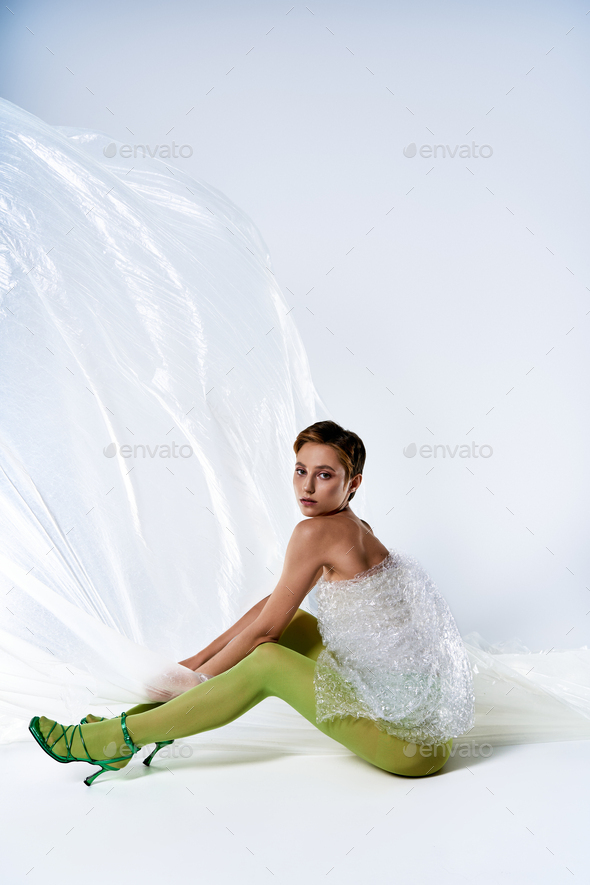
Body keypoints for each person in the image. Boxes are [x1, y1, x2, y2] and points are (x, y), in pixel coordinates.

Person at [29, 420, 475, 784]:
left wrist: (201, 677)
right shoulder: (356, 527)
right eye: (301, 470)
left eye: (325, 475)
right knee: (298, 620)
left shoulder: (314, 533)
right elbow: (275, 604)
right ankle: (153, 718)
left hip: (407, 744)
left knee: (267, 660)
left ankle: (114, 739)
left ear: (352, 482)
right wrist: (195, 664)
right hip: (421, 724)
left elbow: (265, 633)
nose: (308, 486)